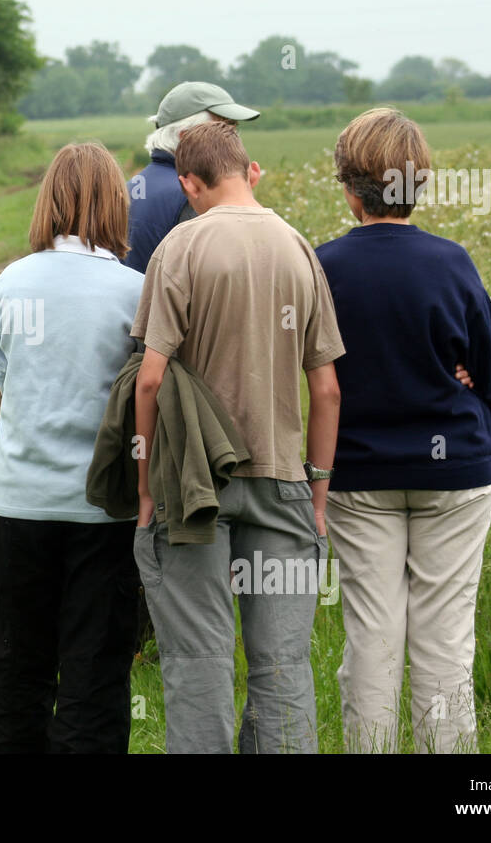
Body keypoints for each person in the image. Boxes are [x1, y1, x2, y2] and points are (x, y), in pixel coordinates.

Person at [315, 107, 491, 753]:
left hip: (356, 475)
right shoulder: (452, 262)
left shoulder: (322, 266)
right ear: (421, 184)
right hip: (455, 471)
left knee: (371, 640)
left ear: (349, 190)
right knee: (444, 644)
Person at [131, 120, 344, 754]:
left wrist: (145, 490)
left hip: (194, 485)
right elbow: (327, 390)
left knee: (200, 656)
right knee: (281, 665)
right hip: (282, 482)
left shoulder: (181, 247)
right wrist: (319, 492)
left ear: (189, 181)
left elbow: (148, 381)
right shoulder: (299, 248)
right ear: (247, 170)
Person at [0, 142, 146, 754]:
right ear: (114, 205)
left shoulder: (11, 281)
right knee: (95, 666)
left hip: (19, 499)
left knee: (17, 663)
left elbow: (0, 369)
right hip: (103, 506)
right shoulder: (134, 289)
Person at [123, 81, 259, 274]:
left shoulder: (131, 187)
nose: (233, 140)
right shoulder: (194, 193)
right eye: (222, 130)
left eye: (233, 130)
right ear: (187, 137)